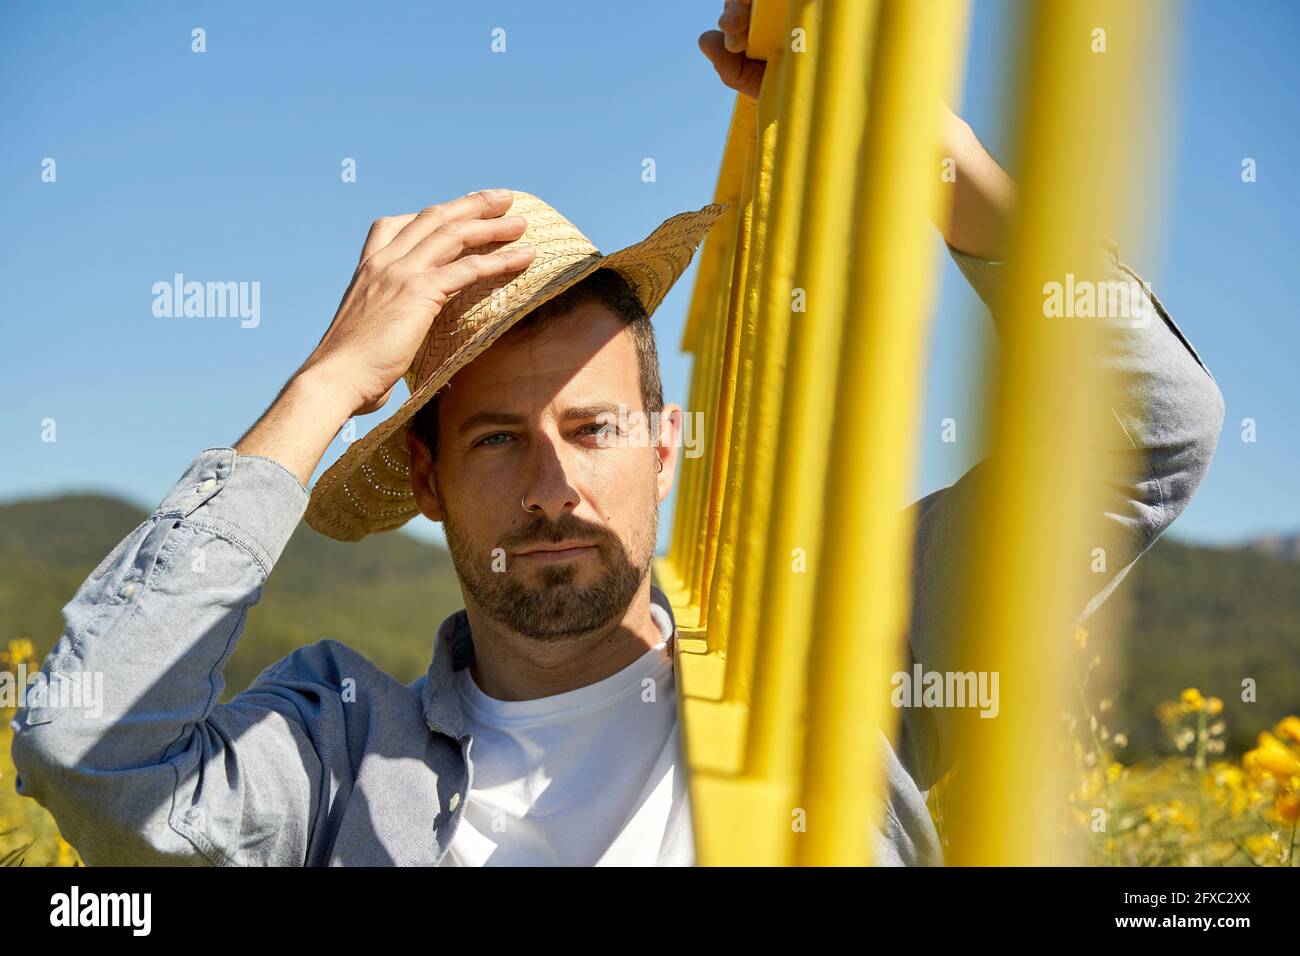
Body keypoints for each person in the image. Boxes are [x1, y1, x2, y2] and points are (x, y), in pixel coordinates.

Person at [9, 7, 1224, 867]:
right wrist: (330, 381)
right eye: (494, 440)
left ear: (665, 441)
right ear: (425, 478)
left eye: (591, 425)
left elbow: (1149, 428)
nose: (552, 485)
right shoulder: (334, 744)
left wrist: (912, 137)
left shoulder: (829, 656)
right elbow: (86, 748)